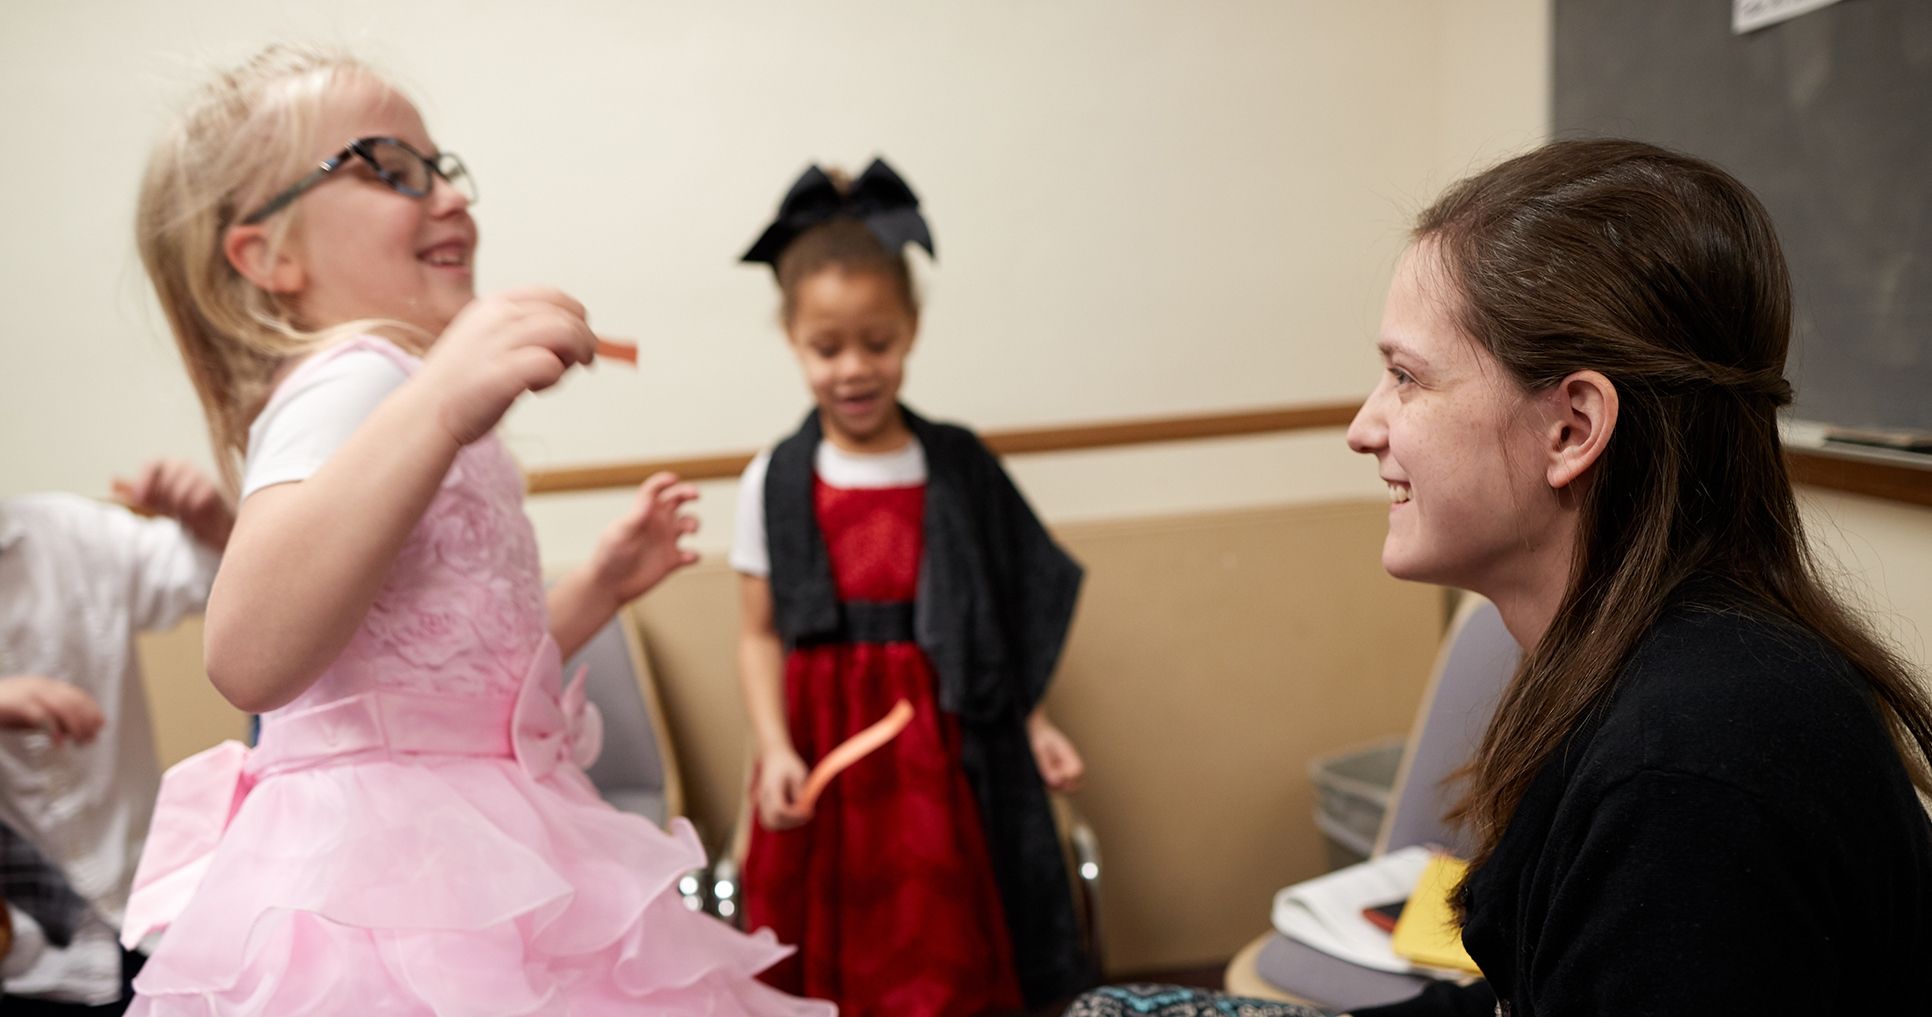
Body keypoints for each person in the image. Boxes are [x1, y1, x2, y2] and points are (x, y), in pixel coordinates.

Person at [118, 44, 832, 1015]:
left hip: (488, 835)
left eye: (443, 167)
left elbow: (456, 669)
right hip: (391, 882)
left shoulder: (402, 393)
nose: (450, 197)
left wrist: (599, 590)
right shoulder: (353, 378)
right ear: (269, 255)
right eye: (393, 169)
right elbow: (249, 658)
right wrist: (446, 397)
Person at [733, 159, 1091, 1015]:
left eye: (877, 342)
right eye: (827, 347)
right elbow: (758, 633)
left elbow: (1005, 613)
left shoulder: (956, 465)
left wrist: (1034, 722)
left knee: (942, 946)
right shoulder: (774, 479)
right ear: (791, 337)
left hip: (947, 755)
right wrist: (775, 747)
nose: (854, 367)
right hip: (828, 754)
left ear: (912, 329)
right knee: (832, 959)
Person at [1, 461, 231, 1013]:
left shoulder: (68, 534)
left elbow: (224, 581)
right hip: (18, 958)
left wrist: (217, 521)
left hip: (151, 922)